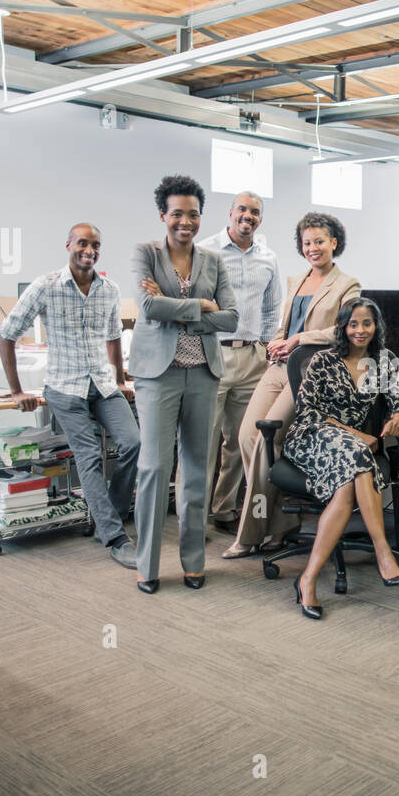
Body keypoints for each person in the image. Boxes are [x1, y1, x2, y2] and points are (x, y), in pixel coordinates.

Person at [0, 223, 141, 569]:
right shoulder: (46, 286)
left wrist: (120, 379)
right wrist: (16, 390)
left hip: (103, 385)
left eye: (95, 245)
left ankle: (112, 512)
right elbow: (6, 334)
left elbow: (113, 337)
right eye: (82, 243)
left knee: (133, 443)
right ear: (68, 246)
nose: (88, 250)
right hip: (64, 386)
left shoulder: (109, 289)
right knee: (89, 455)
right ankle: (115, 537)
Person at [222, 212, 361, 560]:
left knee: (269, 437)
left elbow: (346, 330)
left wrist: (299, 337)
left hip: (309, 372)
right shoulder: (296, 279)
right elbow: (286, 323)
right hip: (279, 365)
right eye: (307, 242)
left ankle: (251, 531)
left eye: (320, 241)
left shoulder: (348, 285)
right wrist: (279, 338)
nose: (313, 248)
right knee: (247, 437)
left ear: (334, 243)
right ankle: (281, 526)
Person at [129, 175, 239, 594]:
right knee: (155, 468)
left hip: (204, 373)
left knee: (197, 471)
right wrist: (200, 306)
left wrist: (175, 308)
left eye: (193, 214)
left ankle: (193, 562)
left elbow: (231, 319)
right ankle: (148, 565)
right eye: (177, 213)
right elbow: (147, 306)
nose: (186, 221)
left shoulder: (213, 261)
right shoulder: (145, 253)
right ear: (163, 215)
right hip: (159, 374)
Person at [283, 297, 399, 619]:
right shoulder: (323, 360)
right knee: (359, 452)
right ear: (342, 327)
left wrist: (398, 417)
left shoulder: (382, 362)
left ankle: (307, 578)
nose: (360, 330)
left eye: (366, 323)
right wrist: (355, 434)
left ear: (375, 326)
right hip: (311, 436)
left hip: (348, 450)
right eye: (353, 323)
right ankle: (383, 551)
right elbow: (307, 411)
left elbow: (397, 400)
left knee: (349, 477)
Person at [196, 191, 282, 534]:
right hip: (211, 353)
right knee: (201, 443)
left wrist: (263, 342)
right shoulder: (206, 250)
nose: (248, 216)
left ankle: (225, 508)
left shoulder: (268, 257)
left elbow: (273, 305)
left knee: (239, 440)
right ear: (231, 212)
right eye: (243, 209)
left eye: (255, 212)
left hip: (251, 357)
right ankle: (194, 518)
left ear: (260, 218)